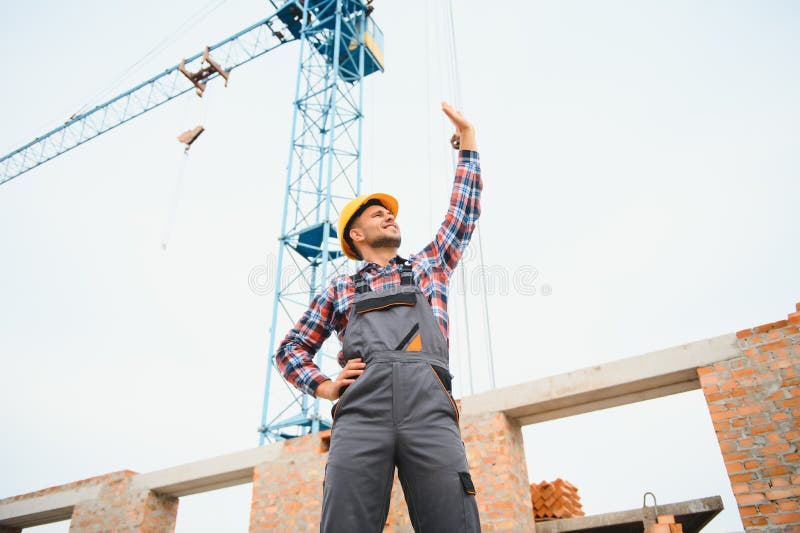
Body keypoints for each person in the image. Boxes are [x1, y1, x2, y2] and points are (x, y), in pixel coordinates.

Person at [275, 101, 482, 532]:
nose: (389, 215)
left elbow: (462, 212)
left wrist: (468, 144)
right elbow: (289, 349)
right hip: (361, 417)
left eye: (390, 213)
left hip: (430, 412)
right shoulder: (340, 289)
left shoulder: (430, 265)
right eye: (377, 214)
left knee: (454, 521)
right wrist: (327, 386)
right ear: (357, 234)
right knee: (346, 523)